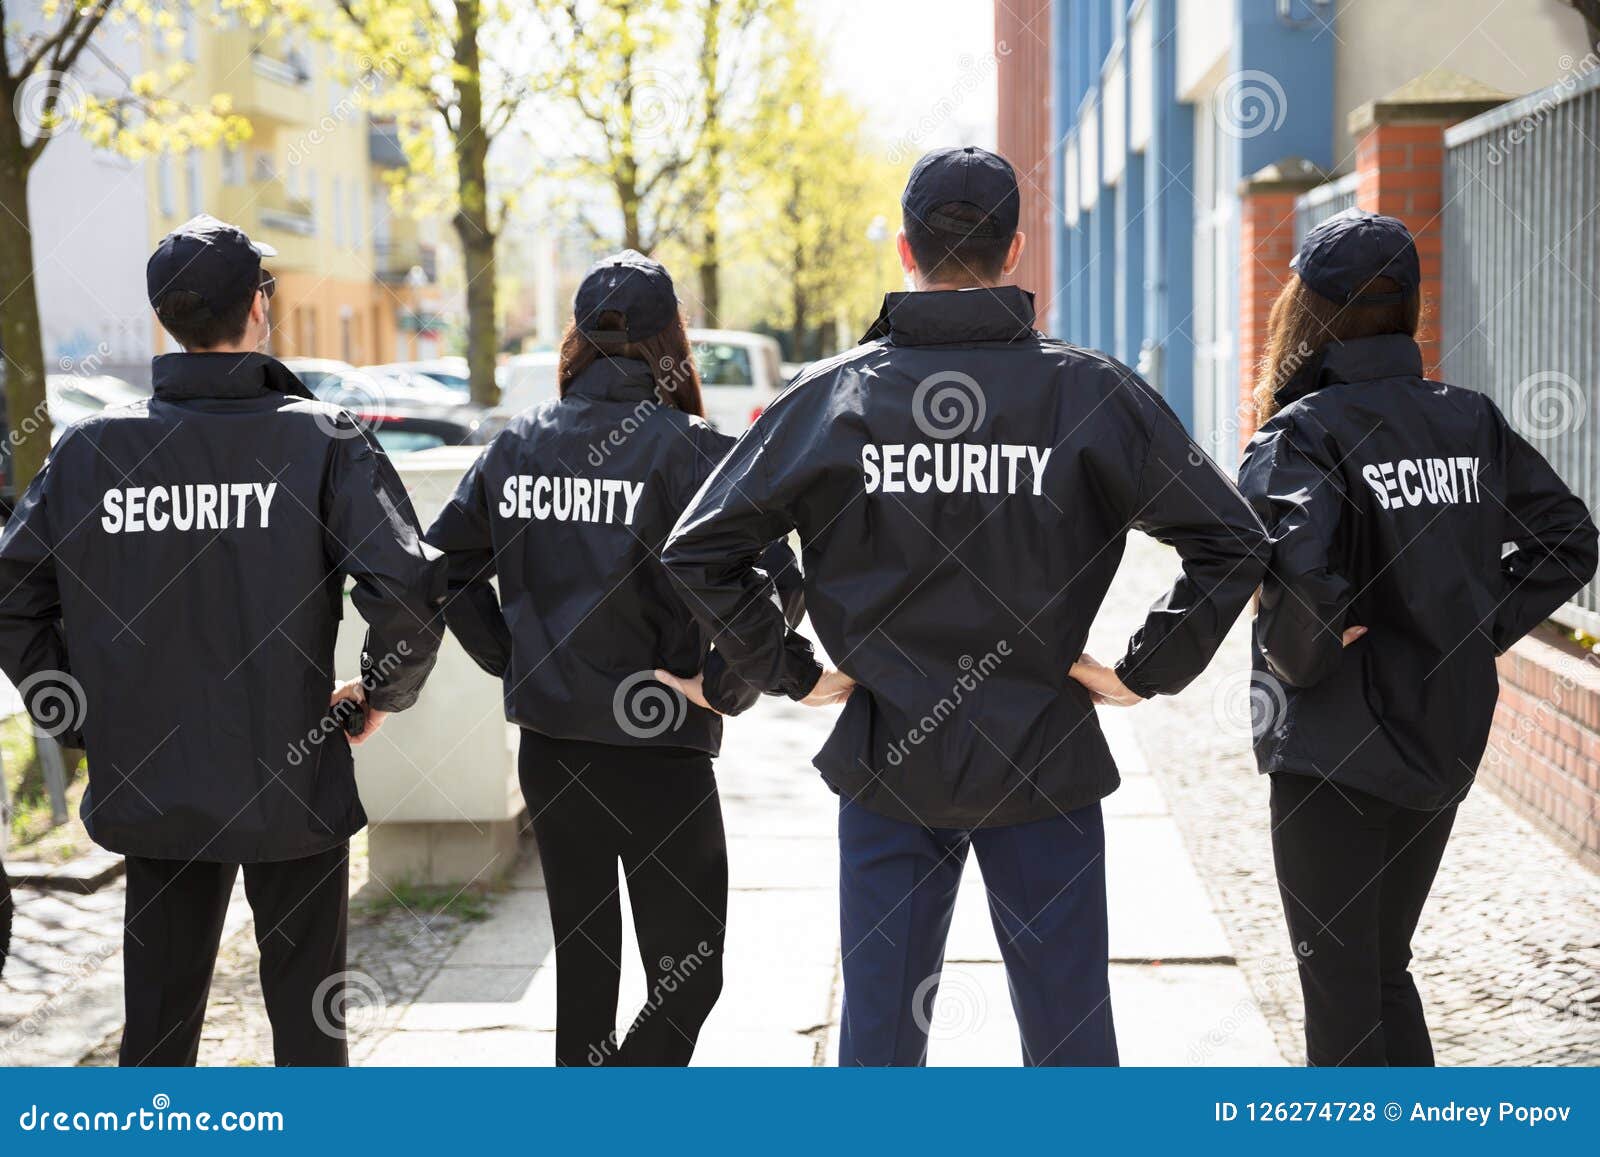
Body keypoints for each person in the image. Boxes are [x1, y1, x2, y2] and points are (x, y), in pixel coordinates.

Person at [658, 147, 1269, 1067]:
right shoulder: (1088, 391)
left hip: (889, 759)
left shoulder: (835, 397)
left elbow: (700, 547)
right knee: (1069, 1047)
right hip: (1042, 756)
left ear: (905, 250)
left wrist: (790, 670)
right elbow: (1235, 537)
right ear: (1014, 248)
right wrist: (1143, 670)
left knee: (880, 1050)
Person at [0, 214, 446, 1066]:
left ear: (166, 318)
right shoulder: (320, 438)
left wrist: (78, 714)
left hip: (155, 782)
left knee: (158, 1039)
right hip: (293, 776)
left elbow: (11, 593)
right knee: (311, 1040)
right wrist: (377, 693)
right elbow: (409, 588)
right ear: (260, 309)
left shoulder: (93, 449)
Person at [1237, 208, 1598, 1067]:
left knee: (1340, 987)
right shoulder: (1466, 418)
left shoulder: (1302, 431)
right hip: (1443, 737)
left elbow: (1295, 584)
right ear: (1408, 308)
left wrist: (1316, 640)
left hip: (1335, 752)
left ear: (1307, 313)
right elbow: (1570, 540)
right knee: (1381, 966)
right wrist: (1477, 624)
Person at [426, 251, 804, 1067]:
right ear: (671, 340)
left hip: (555, 748)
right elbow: (780, 581)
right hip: (659, 749)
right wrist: (723, 688)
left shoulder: (516, 444)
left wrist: (515, 658)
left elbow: (443, 567)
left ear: (578, 338)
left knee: (586, 976)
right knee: (689, 975)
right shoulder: (694, 451)